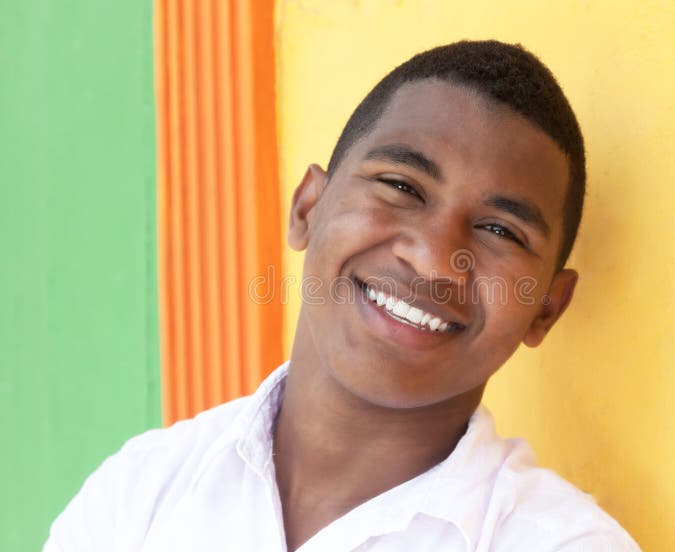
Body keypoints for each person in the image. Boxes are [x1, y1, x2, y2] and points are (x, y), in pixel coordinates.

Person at [45, 40, 640, 551]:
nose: (434, 259)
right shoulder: (143, 493)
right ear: (307, 208)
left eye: (500, 231)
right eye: (401, 186)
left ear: (547, 308)